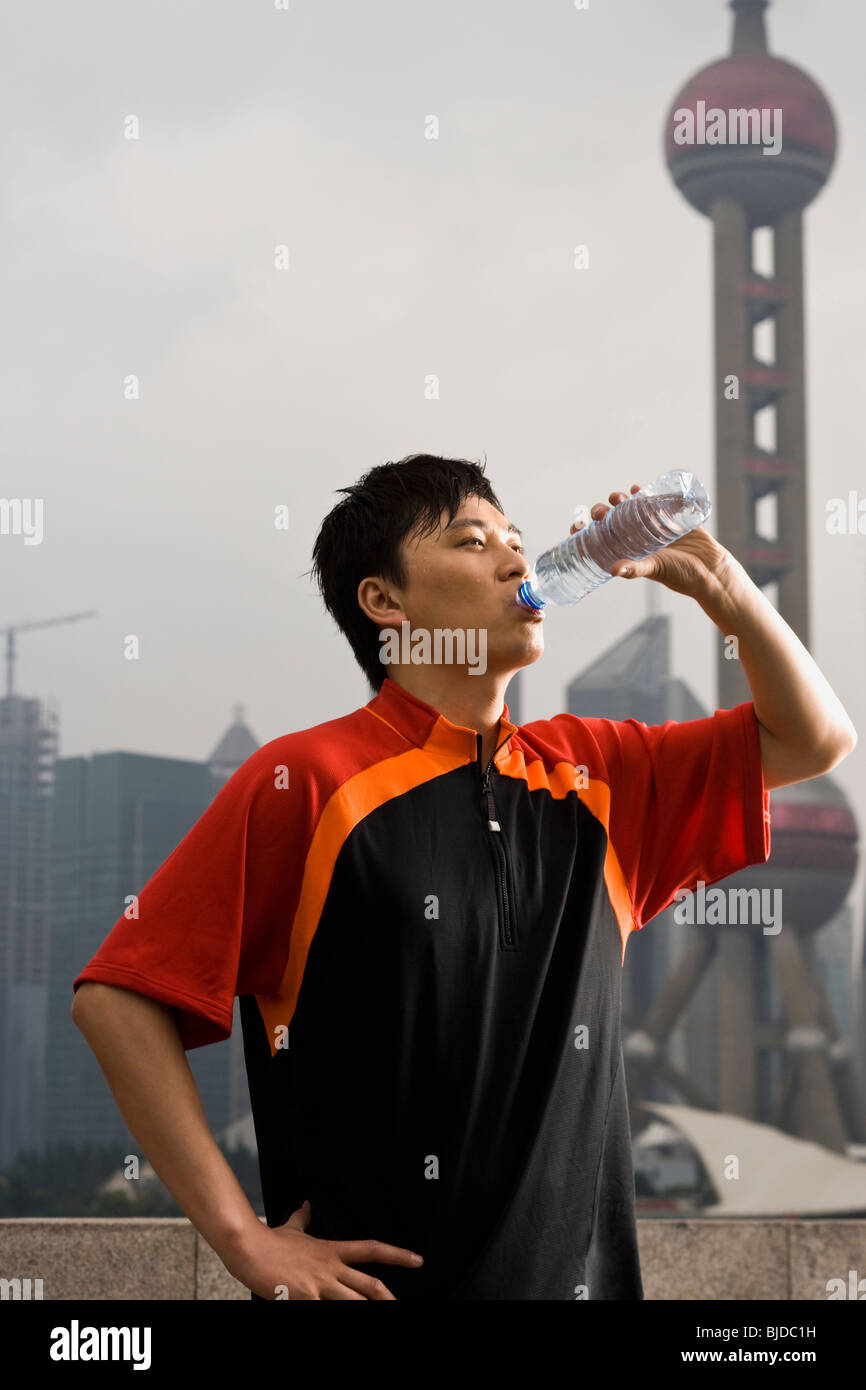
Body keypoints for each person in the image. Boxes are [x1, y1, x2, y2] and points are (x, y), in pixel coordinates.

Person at [71, 452, 857, 1300]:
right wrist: (242, 1240)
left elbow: (813, 740)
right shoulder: (308, 780)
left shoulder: (597, 776)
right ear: (385, 602)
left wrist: (723, 587)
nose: (518, 561)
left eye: (516, 540)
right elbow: (117, 997)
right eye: (472, 542)